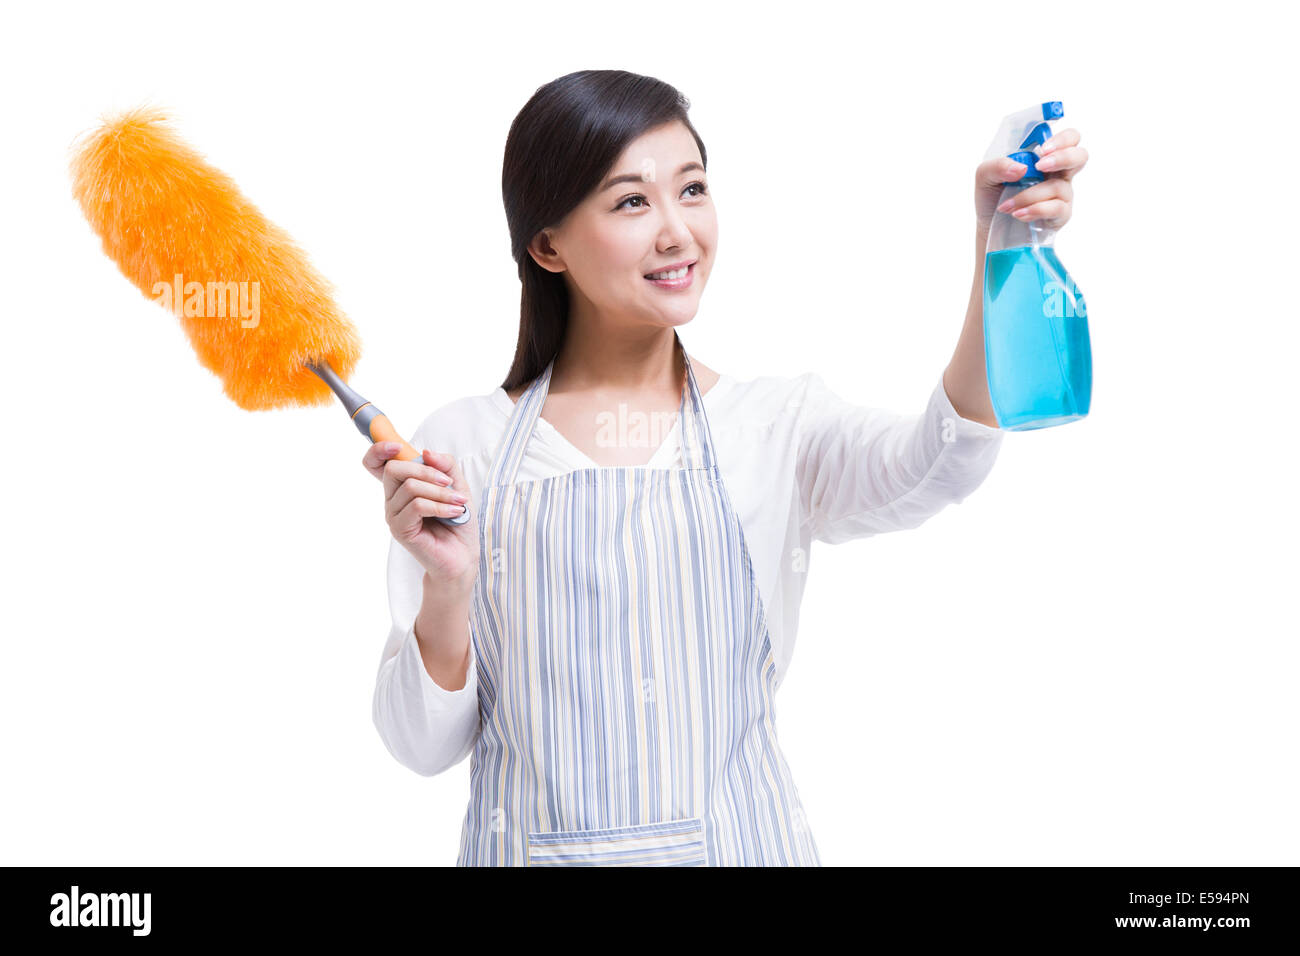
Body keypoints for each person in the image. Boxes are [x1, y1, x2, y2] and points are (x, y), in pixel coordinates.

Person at [364, 70, 1087, 866]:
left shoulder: (773, 428)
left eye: (693, 189)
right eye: (632, 202)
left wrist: (1001, 247)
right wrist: (449, 584)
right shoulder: (464, 448)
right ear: (547, 245)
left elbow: (942, 462)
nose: (677, 231)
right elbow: (420, 747)